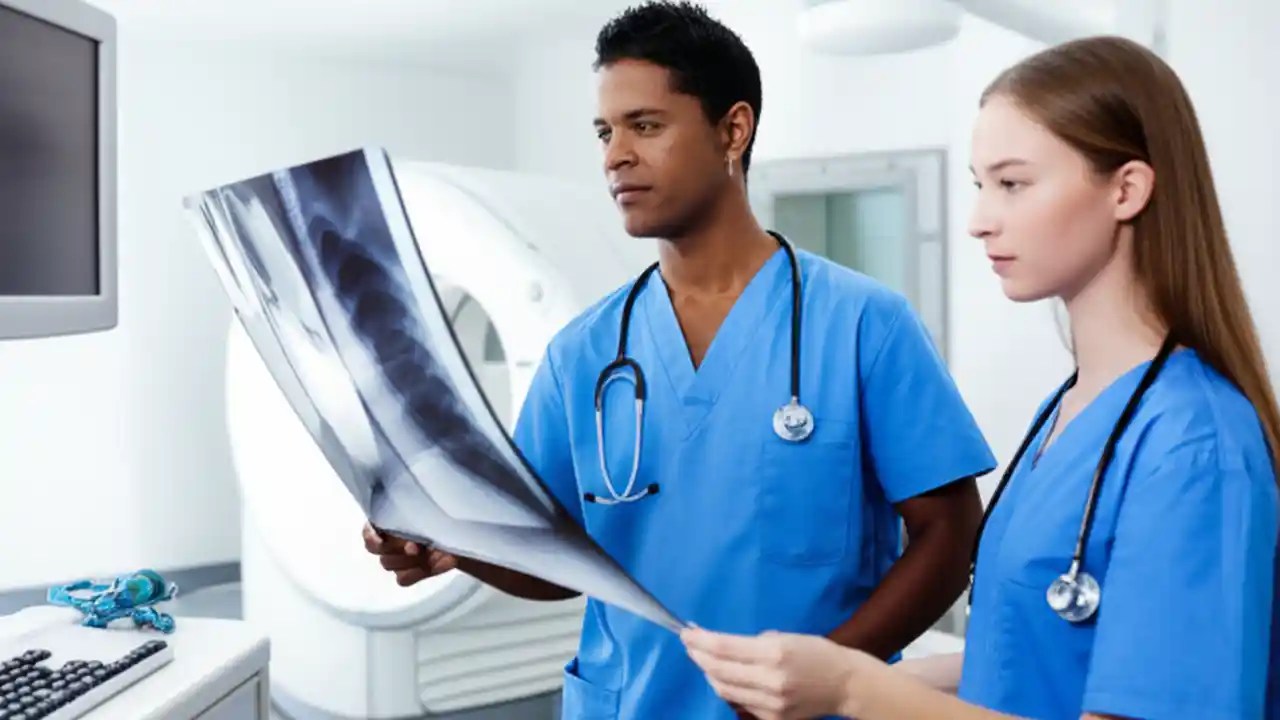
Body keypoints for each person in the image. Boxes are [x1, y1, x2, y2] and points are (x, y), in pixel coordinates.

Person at [363, 1, 996, 717]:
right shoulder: (585, 353)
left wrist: (827, 674)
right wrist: (455, 549)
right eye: (605, 131)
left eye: (646, 125)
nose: (614, 155)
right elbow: (556, 565)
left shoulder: (863, 325)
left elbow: (948, 534)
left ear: (734, 129)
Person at [680, 34, 1280, 720]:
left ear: (1127, 189)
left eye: (1013, 183)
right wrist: (829, 671)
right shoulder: (1074, 409)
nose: (978, 220)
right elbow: (1031, 651)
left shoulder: (1195, 442)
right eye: (979, 185)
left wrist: (853, 688)